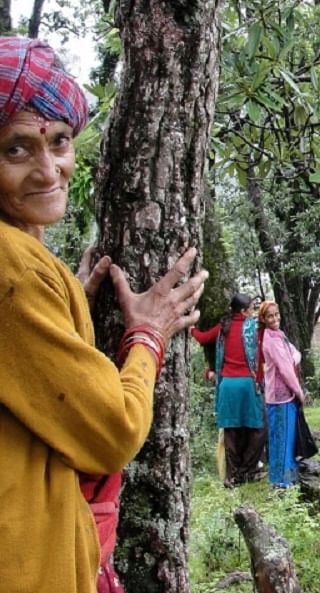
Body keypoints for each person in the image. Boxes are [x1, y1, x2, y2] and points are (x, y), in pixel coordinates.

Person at [0, 37, 208, 593]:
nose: (48, 171)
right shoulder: (13, 269)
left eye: (60, 142)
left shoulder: (25, 263)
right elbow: (113, 428)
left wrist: (66, 300)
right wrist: (149, 332)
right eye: (16, 150)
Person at [191, 294, 267, 487]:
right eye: (251, 308)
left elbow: (202, 337)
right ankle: (248, 470)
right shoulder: (252, 327)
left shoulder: (223, 327)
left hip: (227, 385)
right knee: (257, 428)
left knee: (230, 431)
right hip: (248, 384)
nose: (252, 312)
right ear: (243, 311)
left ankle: (231, 476)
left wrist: (190, 328)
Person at [257, 301, 306, 488]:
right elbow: (286, 369)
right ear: (263, 319)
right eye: (270, 316)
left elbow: (295, 353)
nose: (275, 318)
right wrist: (299, 392)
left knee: (284, 437)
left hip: (283, 396)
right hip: (281, 397)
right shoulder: (271, 340)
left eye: (277, 314)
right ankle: (282, 482)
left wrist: (293, 357)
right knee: (282, 440)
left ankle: (284, 478)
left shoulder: (280, 335)